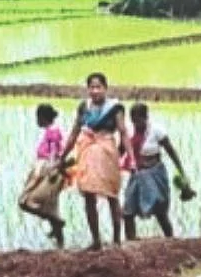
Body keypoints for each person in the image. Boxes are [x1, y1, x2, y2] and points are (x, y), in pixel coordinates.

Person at [61, 72, 129, 250]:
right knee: (88, 194)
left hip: (107, 152)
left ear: (105, 88)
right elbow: (74, 132)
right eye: (91, 87)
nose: (95, 91)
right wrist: (62, 156)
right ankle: (96, 240)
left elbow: (123, 132)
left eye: (98, 87)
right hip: (87, 151)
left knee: (111, 195)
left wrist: (129, 156)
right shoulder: (84, 107)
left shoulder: (115, 108)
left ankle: (116, 240)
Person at [122, 102, 188, 241]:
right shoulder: (129, 132)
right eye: (133, 120)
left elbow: (171, 151)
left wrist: (182, 172)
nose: (136, 123)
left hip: (154, 174)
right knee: (128, 210)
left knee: (160, 210)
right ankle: (131, 241)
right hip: (137, 175)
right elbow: (120, 151)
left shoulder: (156, 131)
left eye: (139, 120)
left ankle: (170, 239)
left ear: (146, 117)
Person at [18, 103, 68, 248]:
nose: (36, 120)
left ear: (43, 117)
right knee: (51, 205)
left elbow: (53, 152)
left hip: (47, 169)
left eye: (37, 117)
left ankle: (56, 221)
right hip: (47, 168)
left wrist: (51, 169)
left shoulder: (52, 132)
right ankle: (61, 244)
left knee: (25, 201)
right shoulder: (50, 131)